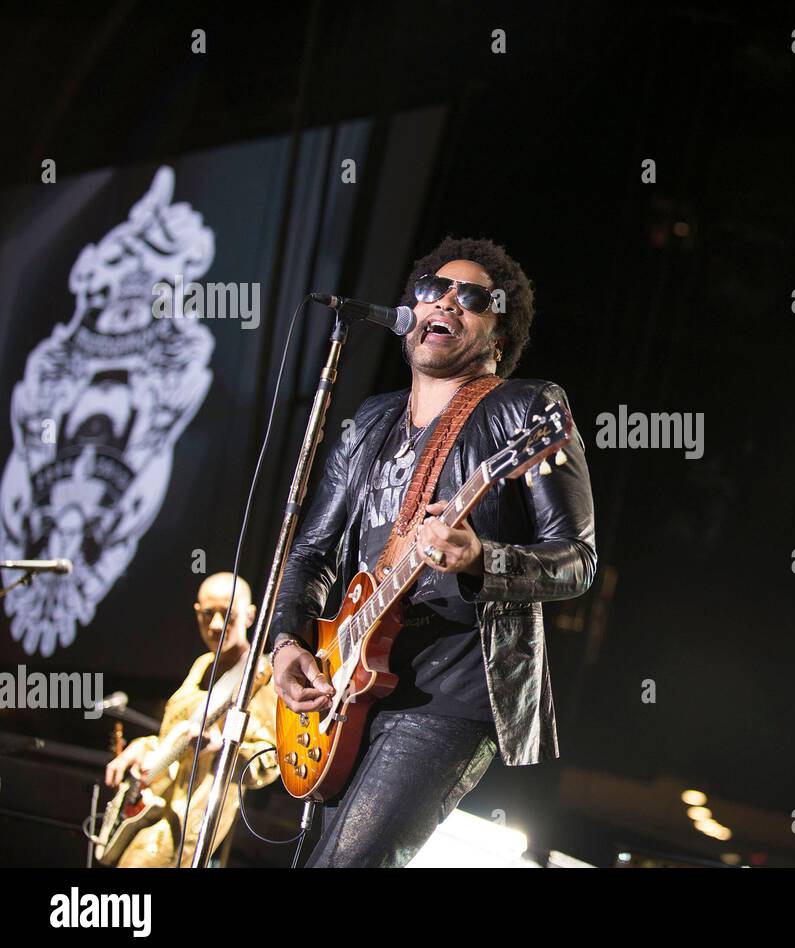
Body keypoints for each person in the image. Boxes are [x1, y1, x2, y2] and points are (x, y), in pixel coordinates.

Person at [269, 236, 596, 867]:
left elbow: (576, 560)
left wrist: (480, 559)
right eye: (431, 290)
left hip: (452, 690)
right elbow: (309, 553)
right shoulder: (369, 420)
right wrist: (286, 644)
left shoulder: (525, 410)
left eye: (472, 298)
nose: (445, 300)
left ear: (498, 336)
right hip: (349, 681)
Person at [103, 572, 279, 867]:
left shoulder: (260, 676)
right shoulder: (202, 665)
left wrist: (221, 746)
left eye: (228, 615)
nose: (216, 625)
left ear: (250, 617)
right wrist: (142, 747)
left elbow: (270, 759)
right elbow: (174, 735)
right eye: (208, 614)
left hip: (193, 817)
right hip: (155, 802)